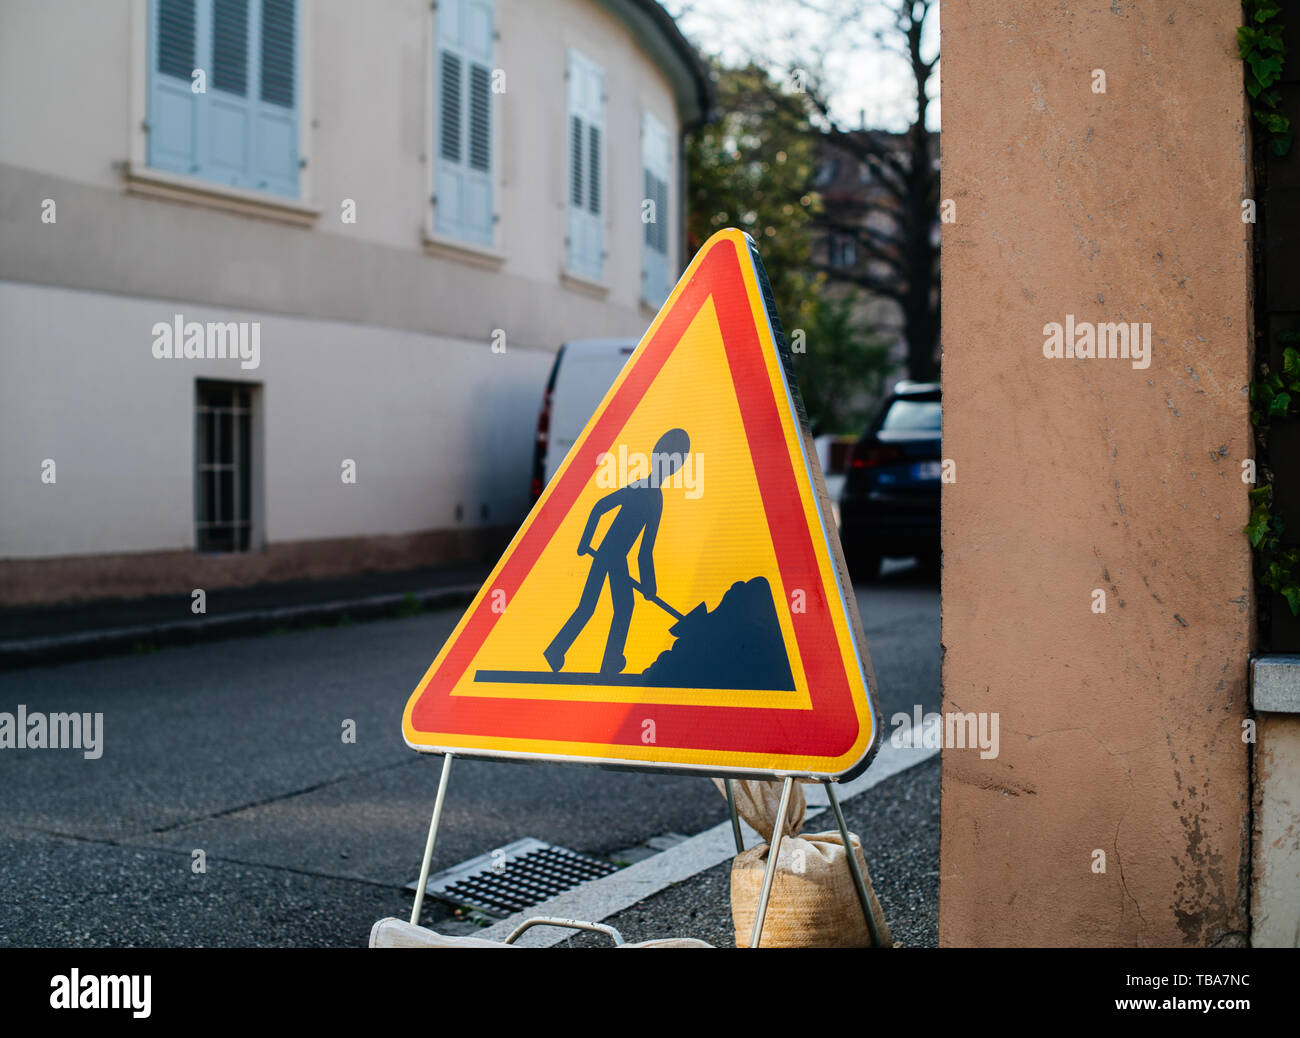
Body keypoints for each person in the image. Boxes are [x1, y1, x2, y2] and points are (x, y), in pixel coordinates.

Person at [544, 429, 690, 675]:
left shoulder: (644, 489)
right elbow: (642, 549)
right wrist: (649, 585)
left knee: (593, 607)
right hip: (611, 556)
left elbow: (604, 511)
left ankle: (560, 651)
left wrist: (586, 541)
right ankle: (604, 660)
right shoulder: (653, 497)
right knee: (614, 607)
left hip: (610, 554)